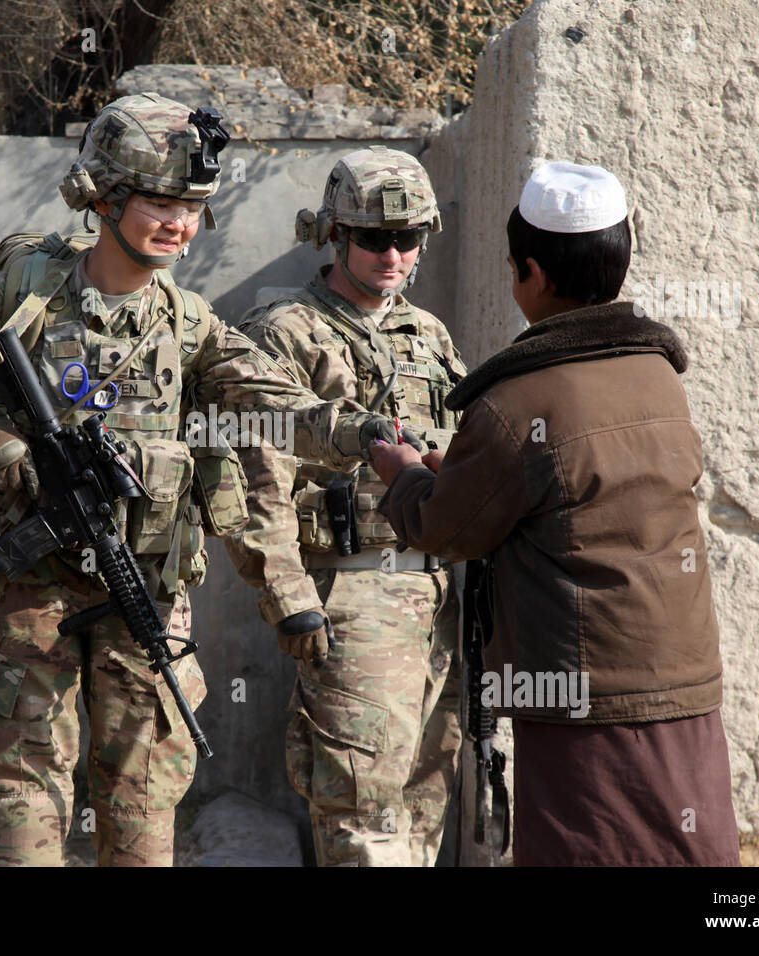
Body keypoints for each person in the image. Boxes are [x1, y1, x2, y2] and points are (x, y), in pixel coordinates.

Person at [0, 93, 404, 867]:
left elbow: (270, 401)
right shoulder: (20, 291)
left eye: (193, 207)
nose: (179, 224)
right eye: (162, 201)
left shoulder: (190, 324)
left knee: (145, 799)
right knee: (22, 788)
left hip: (148, 593)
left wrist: (361, 433)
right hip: (32, 593)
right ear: (107, 196)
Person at [371, 161, 740, 866]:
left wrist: (406, 476)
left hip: (586, 691)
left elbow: (447, 528)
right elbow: (577, 493)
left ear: (531, 274)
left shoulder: (516, 401)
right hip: (681, 673)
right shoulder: (656, 373)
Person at [224, 147, 466, 866]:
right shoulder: (283, 331)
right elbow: (253, 480)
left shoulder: (428, 336)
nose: (393, 254)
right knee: (362, 808)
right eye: (373, 238)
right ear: (335, 235)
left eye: (408, 238)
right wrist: (287, 595)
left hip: (440, 593)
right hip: (355, 593)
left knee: (428, 798)